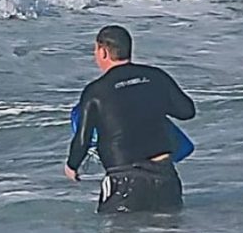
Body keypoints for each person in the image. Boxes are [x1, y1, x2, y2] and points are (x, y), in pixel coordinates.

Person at [64, 25, 195, 213]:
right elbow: (186, 111)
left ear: (103, 52)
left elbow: (82, 140)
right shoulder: (156, 76)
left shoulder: (96, 92)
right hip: (165, 175)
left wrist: (72, 166)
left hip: (124, 180)